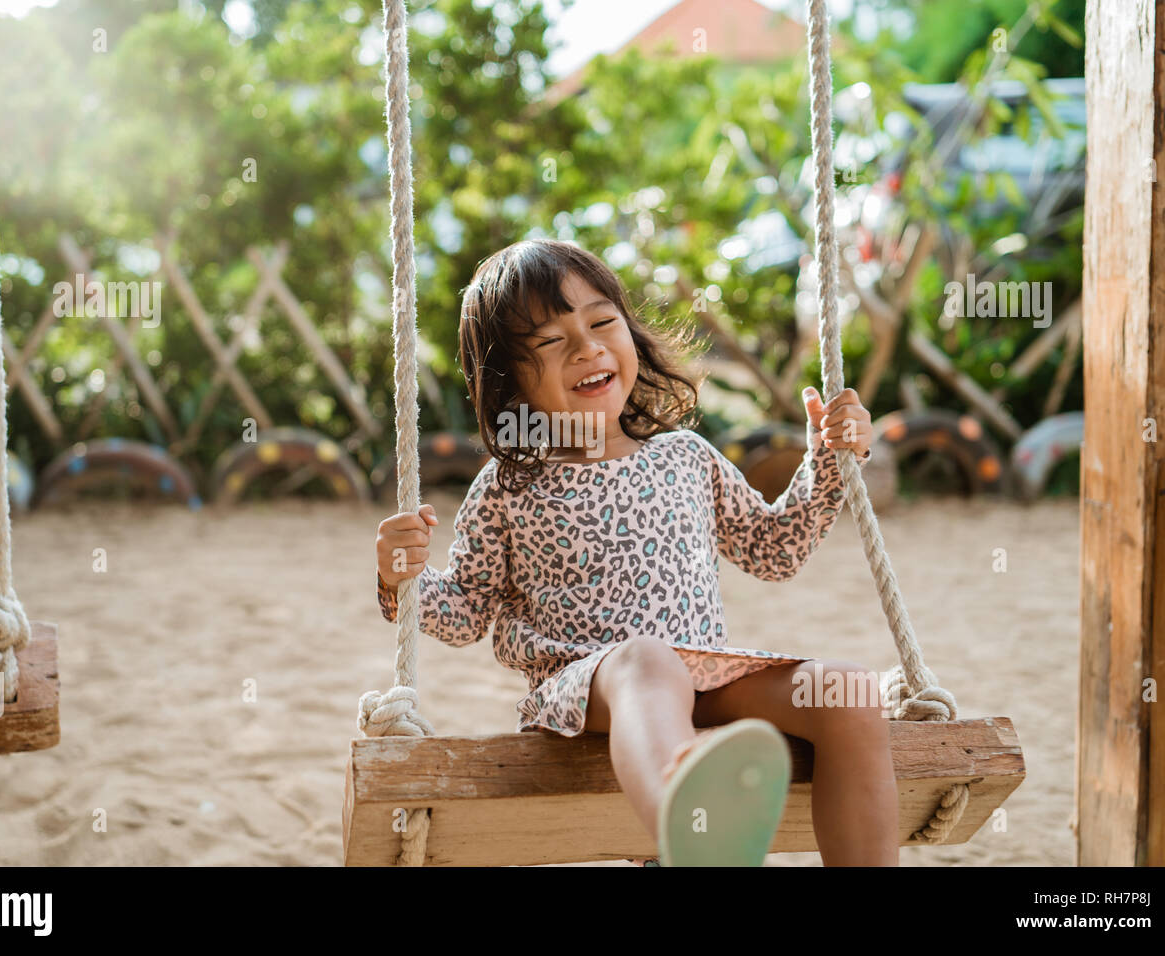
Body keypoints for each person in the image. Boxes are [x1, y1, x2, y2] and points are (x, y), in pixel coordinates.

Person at [374, 239, 897, 866]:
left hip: (706, 671)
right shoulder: (511, 483)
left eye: (600, 322)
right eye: (549, 341)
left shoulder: (685, 457)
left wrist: (830, 460)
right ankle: (689, 803)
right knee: (646, 662)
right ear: (510, 378)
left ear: (631, 335)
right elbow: (464, 611)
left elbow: (775, 549)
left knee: (850, 693)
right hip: (587, 686)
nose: (586, 348)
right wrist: (400, 576)